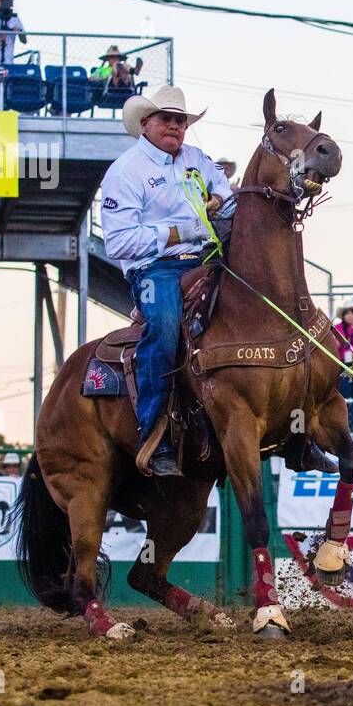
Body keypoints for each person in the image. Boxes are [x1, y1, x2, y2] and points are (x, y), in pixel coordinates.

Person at [99, 86, 232, 476]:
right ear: (146, 124)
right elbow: (118, 241)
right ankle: (154, 432)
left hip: (208, 259)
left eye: (180, 121)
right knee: (164, 326)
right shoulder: (125, 171)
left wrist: (220, 200)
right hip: (155, 268)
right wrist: (178, 232)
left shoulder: (196, 158)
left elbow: (223, 188)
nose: (174, 126)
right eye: (166, 119)